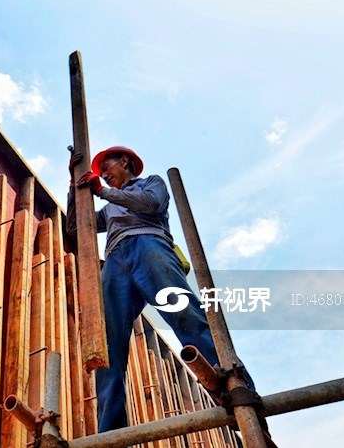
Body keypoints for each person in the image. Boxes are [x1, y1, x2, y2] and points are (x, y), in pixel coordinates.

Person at [66, 146, 254, 433]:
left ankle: (234, 386)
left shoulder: (150, 183)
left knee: (185, 316)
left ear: (125, 162)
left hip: (149, 246)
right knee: (107, 345)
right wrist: (73, 187)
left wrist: (103, 192)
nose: (103, 176)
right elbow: (75, 230)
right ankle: (112, 429)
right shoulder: (109, 207)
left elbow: (151, 204)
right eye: (99, 174)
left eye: (107, 168)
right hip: (116, 260)